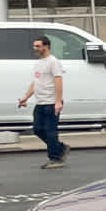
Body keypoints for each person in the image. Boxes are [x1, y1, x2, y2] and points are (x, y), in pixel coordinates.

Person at [17, 35, 68, 168]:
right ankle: (60, 148)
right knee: (38, 129)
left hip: (51, 102)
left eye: (38, 46)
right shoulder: (39, 63)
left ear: (46, 46)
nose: (35, 48)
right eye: (35, 46)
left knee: (51, 131)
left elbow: (58, 81)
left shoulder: (53, 62)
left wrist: (58, 102)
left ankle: (55, 159)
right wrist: (26, 97)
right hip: (40, 102)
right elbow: (36, 82)